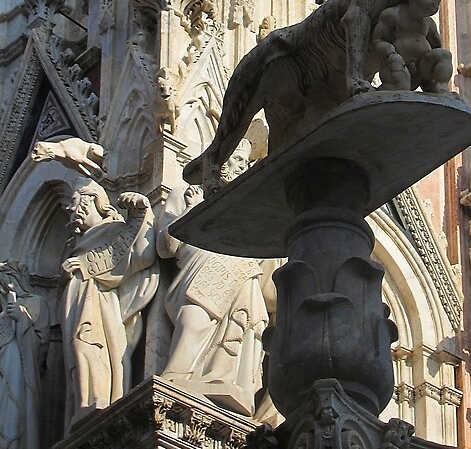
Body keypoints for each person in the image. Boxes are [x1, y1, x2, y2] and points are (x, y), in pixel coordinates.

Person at [156, 183, 270, 415]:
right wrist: (193, 209)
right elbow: (165, 246)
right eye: (233, 157)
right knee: (194, 321)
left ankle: (224, 380)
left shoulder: (248, 202)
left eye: (241, 160)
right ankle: (179, 375)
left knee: (239, 324)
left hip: (240, 270)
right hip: (198, 270)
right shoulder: (185, 192)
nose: (235, 166)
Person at [61, 184, 158, 427]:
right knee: (76, 352)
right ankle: (84, 404)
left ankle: (98, 399)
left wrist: (141, 212)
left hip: (99, 307)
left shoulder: (114, 230)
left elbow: (141, 255)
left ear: (90, 199)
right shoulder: (80, 242)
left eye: (73, 200)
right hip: (77, 303)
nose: (69, 208)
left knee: (87, 343)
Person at [371, 0, 453, 94]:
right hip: (397, 64)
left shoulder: (428, 23)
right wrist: (390, 54)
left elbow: (436, 44)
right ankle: (381, 90)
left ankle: (441, 86)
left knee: (445, 54)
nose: (434, 4)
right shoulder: (393, 14)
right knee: (399, 89)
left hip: (422, 68)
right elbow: (378, 40)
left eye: (437, 2)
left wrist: (436, 59)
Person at [0, 263, 48, 449]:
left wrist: (21, 319)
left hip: (19, 374)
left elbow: (42, 347)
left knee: (14, 414)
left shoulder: (36, 303)